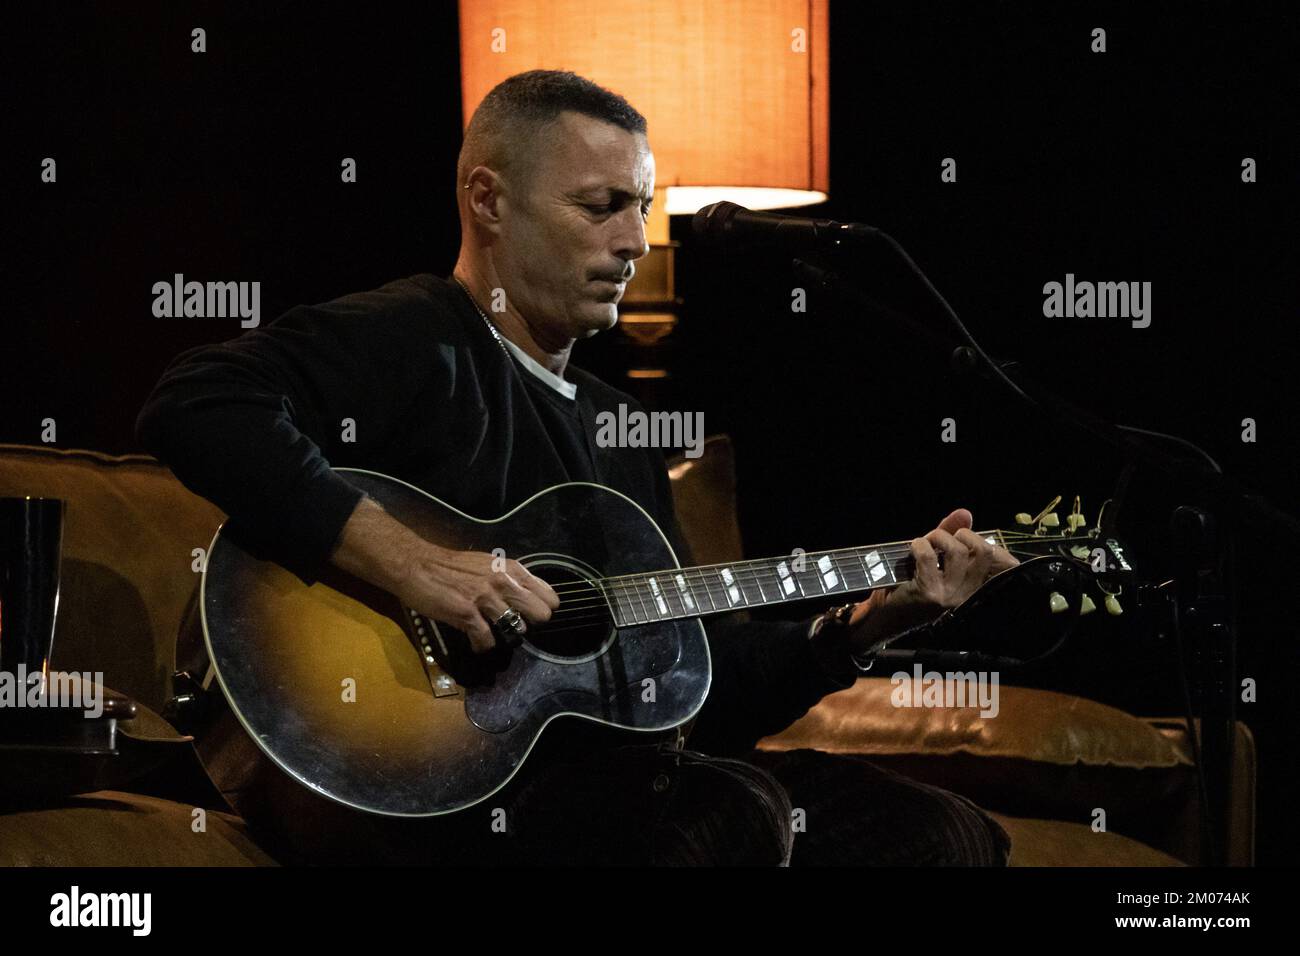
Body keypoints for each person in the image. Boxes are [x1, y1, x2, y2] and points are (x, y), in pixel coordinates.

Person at [136, 69, 1018, 866]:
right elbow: (198, 402)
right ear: (487, 200)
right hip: (440, 782)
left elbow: (690, 689)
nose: (637, 240)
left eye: (642, 204)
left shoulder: (619, 424)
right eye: (601, 206)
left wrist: (865, 623)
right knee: (723, 812)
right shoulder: (417, 337)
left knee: (943, 835)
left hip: (618, 781)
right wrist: (414, 565)